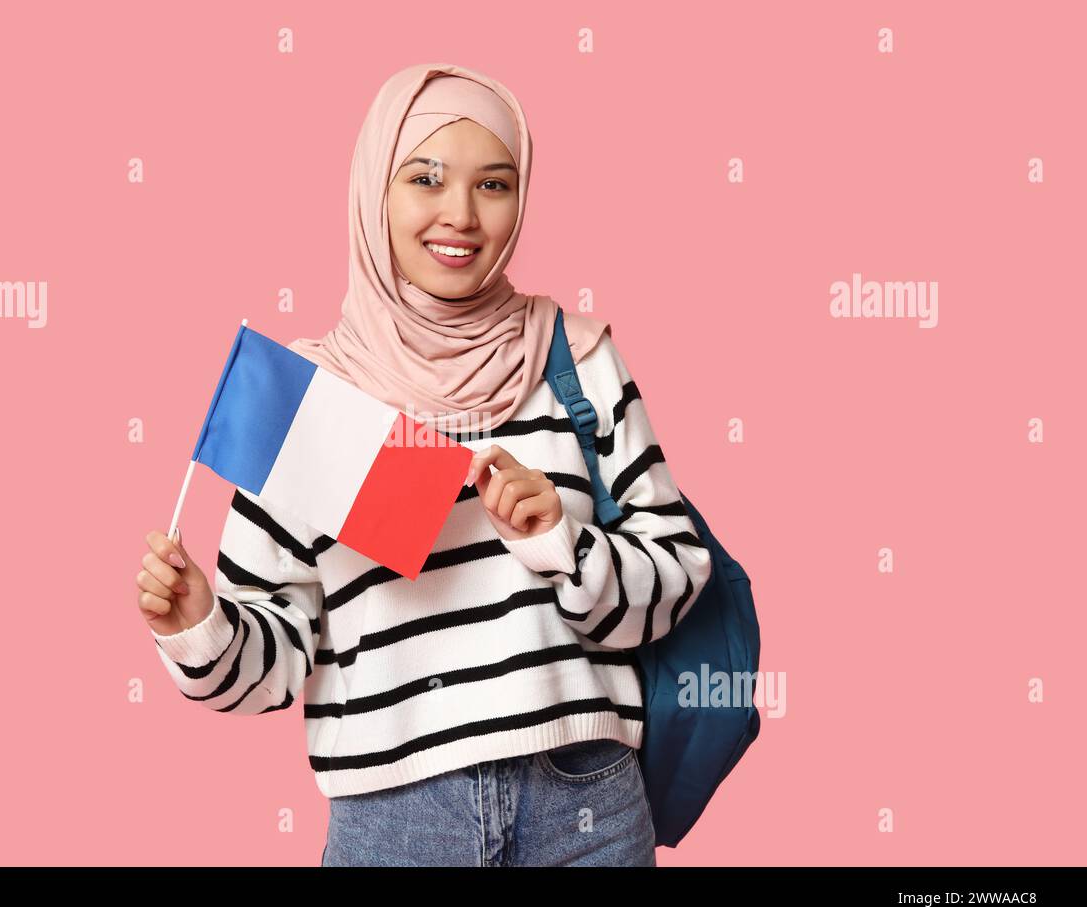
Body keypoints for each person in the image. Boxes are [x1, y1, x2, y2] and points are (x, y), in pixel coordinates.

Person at [134, 63, 712, 866]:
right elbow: (271, 666)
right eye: (426, 178)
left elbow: (680, 574)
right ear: (377, 187)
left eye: (494, 184)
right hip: (393, 824)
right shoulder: (312, 398)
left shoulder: (576, 358)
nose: (461, 214)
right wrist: (197, 623)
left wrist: (560, 542)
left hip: (587, 802)